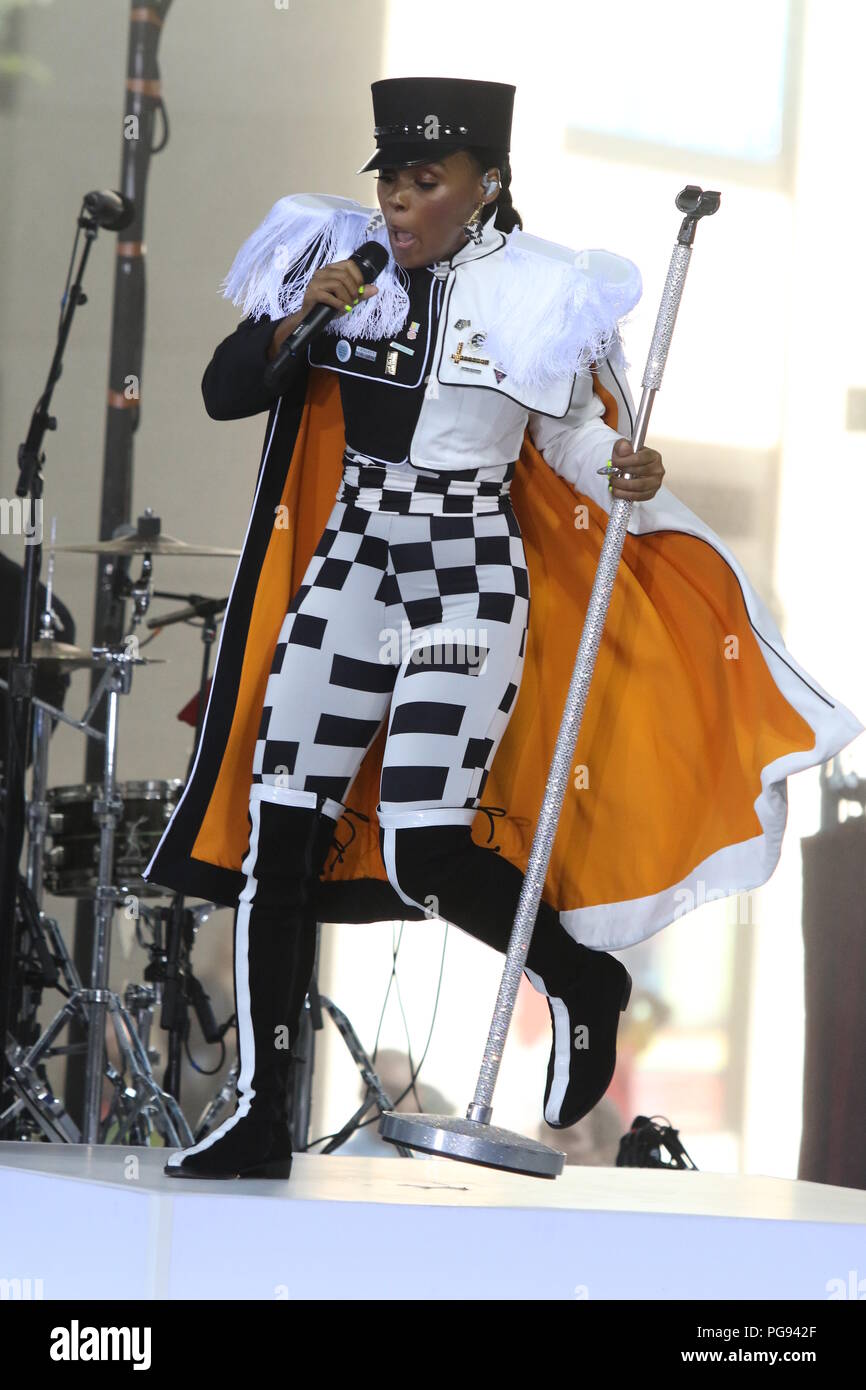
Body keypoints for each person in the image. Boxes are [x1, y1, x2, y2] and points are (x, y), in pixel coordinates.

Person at [147, 76, 863, 1181]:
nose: (395, 201)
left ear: (484, 186)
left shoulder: (544, 289)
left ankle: (580, 980)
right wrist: (305, 316)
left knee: (424, 845)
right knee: (275, 836)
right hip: (345, 565)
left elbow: (569, 439)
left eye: (423, 181)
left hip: (462, 572)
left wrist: (626, 467)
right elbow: (223, 390)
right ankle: (258, 1113)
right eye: (387, 177)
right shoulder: (331, 261)